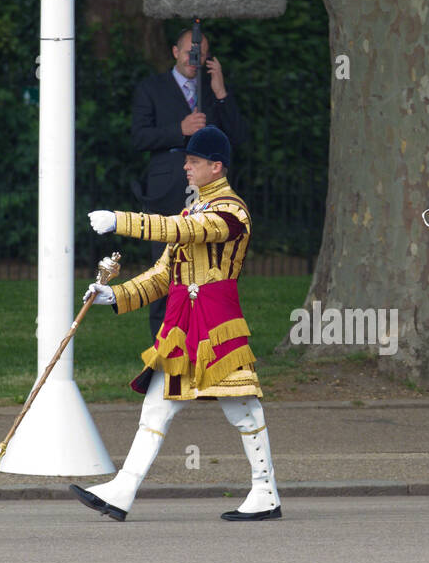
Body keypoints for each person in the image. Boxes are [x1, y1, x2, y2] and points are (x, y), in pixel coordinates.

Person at [70, 126, 281, 522]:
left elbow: (181, 231)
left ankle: (265, 491)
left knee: (243, 408)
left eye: (194, 161)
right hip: (182, 324)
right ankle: (123, 488)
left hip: (217, 321)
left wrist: (121, 220)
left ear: (216, 167)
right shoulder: (194, 210)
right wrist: (115, 295)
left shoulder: (231, 212)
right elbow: (163, 276)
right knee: (156, 407)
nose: (186, 166)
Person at [130, 27, 249, 340]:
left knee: (209, 268)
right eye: (189, 53)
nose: (195, 59)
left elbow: (238, 138)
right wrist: (178, 129)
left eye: (202, 54)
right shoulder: (152, 88)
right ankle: (163, 348)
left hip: (208, 192)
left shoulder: (212, 90)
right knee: (163, 266)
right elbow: (138, 137)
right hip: (166, 189)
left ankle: (206, 341)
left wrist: (221, 92)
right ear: (174, 51)